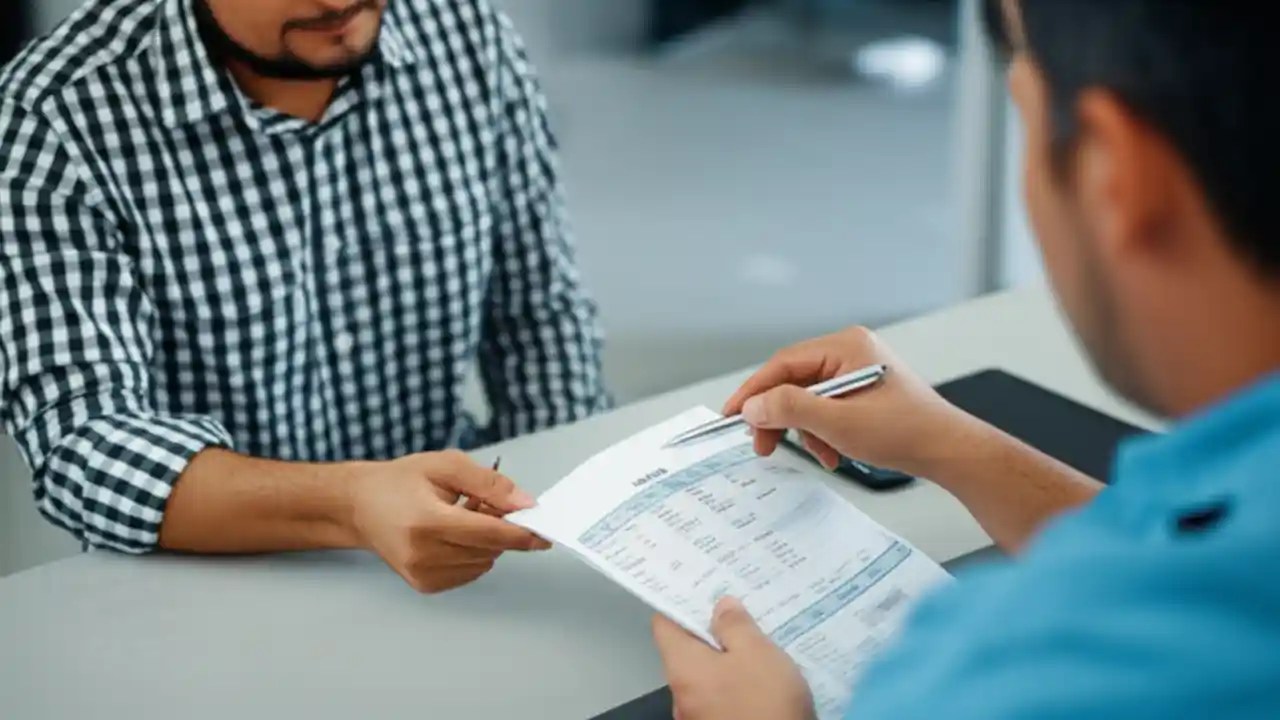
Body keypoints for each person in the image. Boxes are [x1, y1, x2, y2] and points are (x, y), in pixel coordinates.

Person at [651, 0, 1280, 717]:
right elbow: (1199, 575)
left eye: (1027, 109)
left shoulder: (991, 679)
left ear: (1113, 172)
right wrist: (950, 444)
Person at [0, 0, 610, 593]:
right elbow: (83, 443)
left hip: (467, 568)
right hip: (210, 589)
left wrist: (554, 510)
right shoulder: (52, 116)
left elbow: (540, 314)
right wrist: (349, 502)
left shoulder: (465, 31)